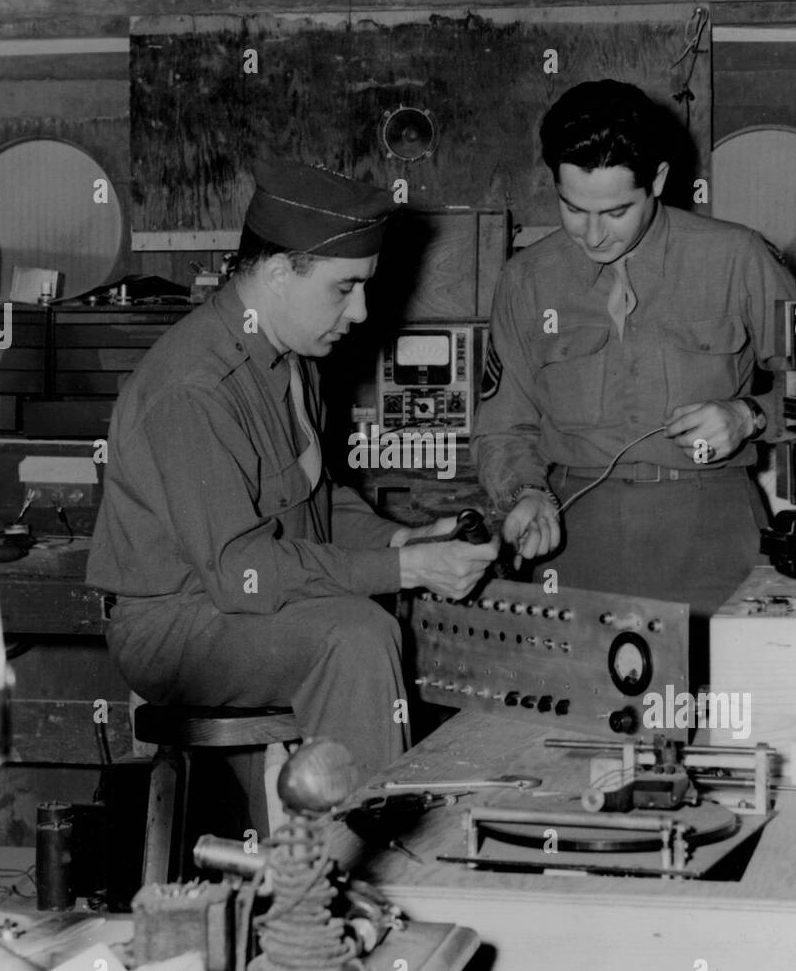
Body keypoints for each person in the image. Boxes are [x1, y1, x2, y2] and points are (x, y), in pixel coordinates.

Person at [88, 159, 497, 778]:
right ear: (279, 273)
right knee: (354, 637)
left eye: (365, 287)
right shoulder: (194, 387)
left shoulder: (290, 355)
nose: (359, 312)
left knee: (374, 622)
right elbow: (243, 572)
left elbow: (316, 498)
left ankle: (341, 836)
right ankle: (355, 858)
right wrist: (402, 569)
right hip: (174, 620)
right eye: (344, 287)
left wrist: (400, 539)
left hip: (233, 598)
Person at [471, 80, 796, 677]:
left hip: (711, 538)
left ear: (660, 181)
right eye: (574, 209)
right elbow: (502, 427)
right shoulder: (526, 281)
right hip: (573, 542)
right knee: (573, 738)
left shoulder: (738, 260)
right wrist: (522, 496)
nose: (593, 235)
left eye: (616, 211)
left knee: (723, 730)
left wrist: (750, 415)